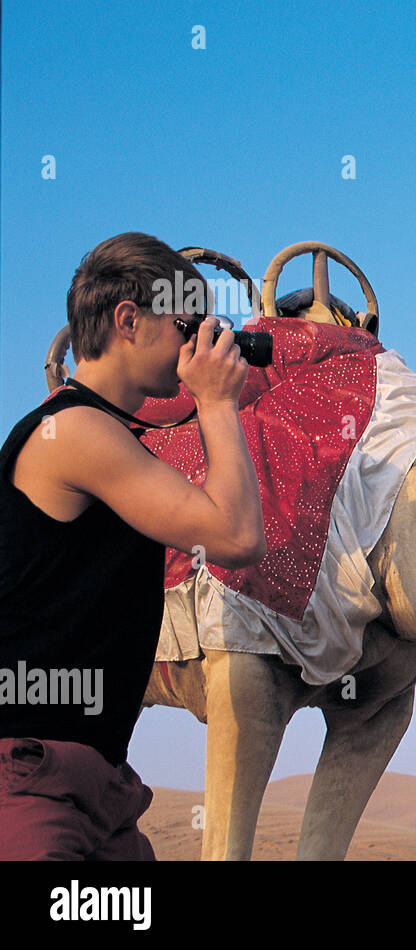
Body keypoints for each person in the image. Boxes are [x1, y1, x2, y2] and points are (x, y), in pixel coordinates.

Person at [0, 232, 265, 860]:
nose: (195, 342)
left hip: (100, 791)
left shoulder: (112, 441)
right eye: (186, 324)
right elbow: (237, 535)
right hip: (30, 784)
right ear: (128, 320)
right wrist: (218, 401)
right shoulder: (73, 432)